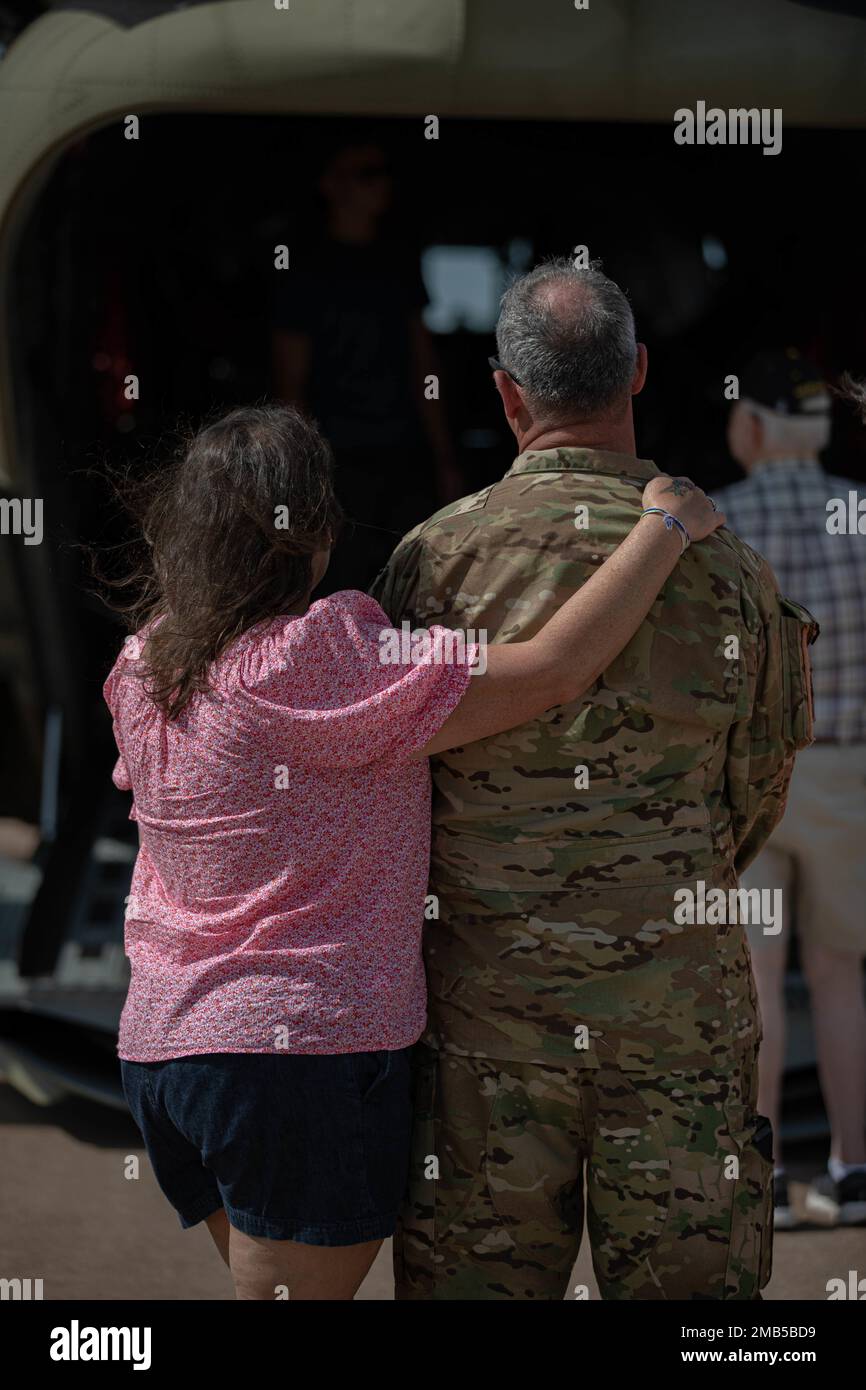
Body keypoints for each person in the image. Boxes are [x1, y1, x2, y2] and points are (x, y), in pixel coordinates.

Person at [106, 402, 721, 1301]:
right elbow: (552, 670)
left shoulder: (144, 665)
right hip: (298, 1057)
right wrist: (667, 526)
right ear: (314, 533)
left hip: (164, 1054)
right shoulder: (314, 659)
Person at [370, 259, 818, 1301]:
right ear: (640, 372)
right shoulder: (728, 566)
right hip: (676, 1020)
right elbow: (755, 785)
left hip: (483, 1027)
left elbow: (389, 787)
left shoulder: (432, 561)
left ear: (504, 392)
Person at [714, 351, 866, 1229]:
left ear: (759, 426)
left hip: (759, 778)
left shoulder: (722, 522)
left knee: (761, 975)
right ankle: (853, 1171)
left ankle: (761, 1178)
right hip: (852, 770)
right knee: (842, 977)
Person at [271, 141, 459, 595]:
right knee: (341, 582)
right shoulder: (305, 270)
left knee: (418, 578)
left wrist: (444, 459)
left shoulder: (397, 263)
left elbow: (424, 368)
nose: (381, 184)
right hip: (337, 458)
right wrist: (299, 475)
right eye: (366, 173)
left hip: (404, 449)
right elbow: (289, 382)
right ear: (330, 185)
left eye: (383, 172)